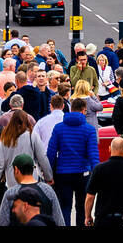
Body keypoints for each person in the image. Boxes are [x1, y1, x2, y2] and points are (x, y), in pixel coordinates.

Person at [46, 95, 99, 226]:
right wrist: (97, 175)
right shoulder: (89, 129)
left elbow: (51, 153)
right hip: (83, 173)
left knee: (65, 207)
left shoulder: (59, 128)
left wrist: (49, 174)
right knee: (81, 207)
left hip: (63, 173)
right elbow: (93, 154)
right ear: (83, 111)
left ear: (71, 109)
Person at [0, 108, 53, 193]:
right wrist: (48, 176)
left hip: (12, 178)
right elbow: (42, 157)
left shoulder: (5, 137)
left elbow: (0, 163)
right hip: (30, 177)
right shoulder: (32, 135)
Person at [0, 152, 65, 227]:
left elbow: (1, 222)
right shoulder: (48, 190)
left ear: (16, 170)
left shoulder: (11, 193)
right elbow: (59, 221)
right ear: (33, 168)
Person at [84, 136, 123, 227]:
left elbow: (90, 196)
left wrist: (88, 216)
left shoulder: (99, 169)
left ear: (109, 149)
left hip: (103, 218)